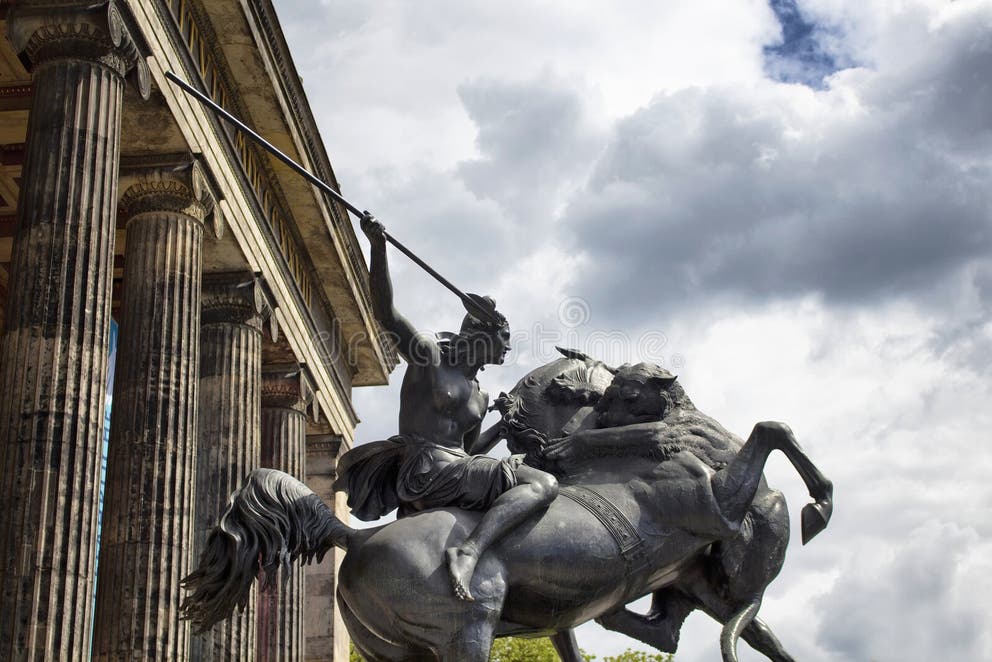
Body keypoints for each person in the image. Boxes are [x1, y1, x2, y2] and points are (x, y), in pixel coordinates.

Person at [334, 214, 558, 601]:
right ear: (481, 334)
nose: (507, 348)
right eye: (503, 339)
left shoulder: (480, 394)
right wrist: (378, 247)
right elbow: (386, 314)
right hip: (424, 468)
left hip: (453, 469)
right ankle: (470, 550)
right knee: (542, 484)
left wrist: (499, 432)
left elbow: (468, 454)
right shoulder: (430, 357)